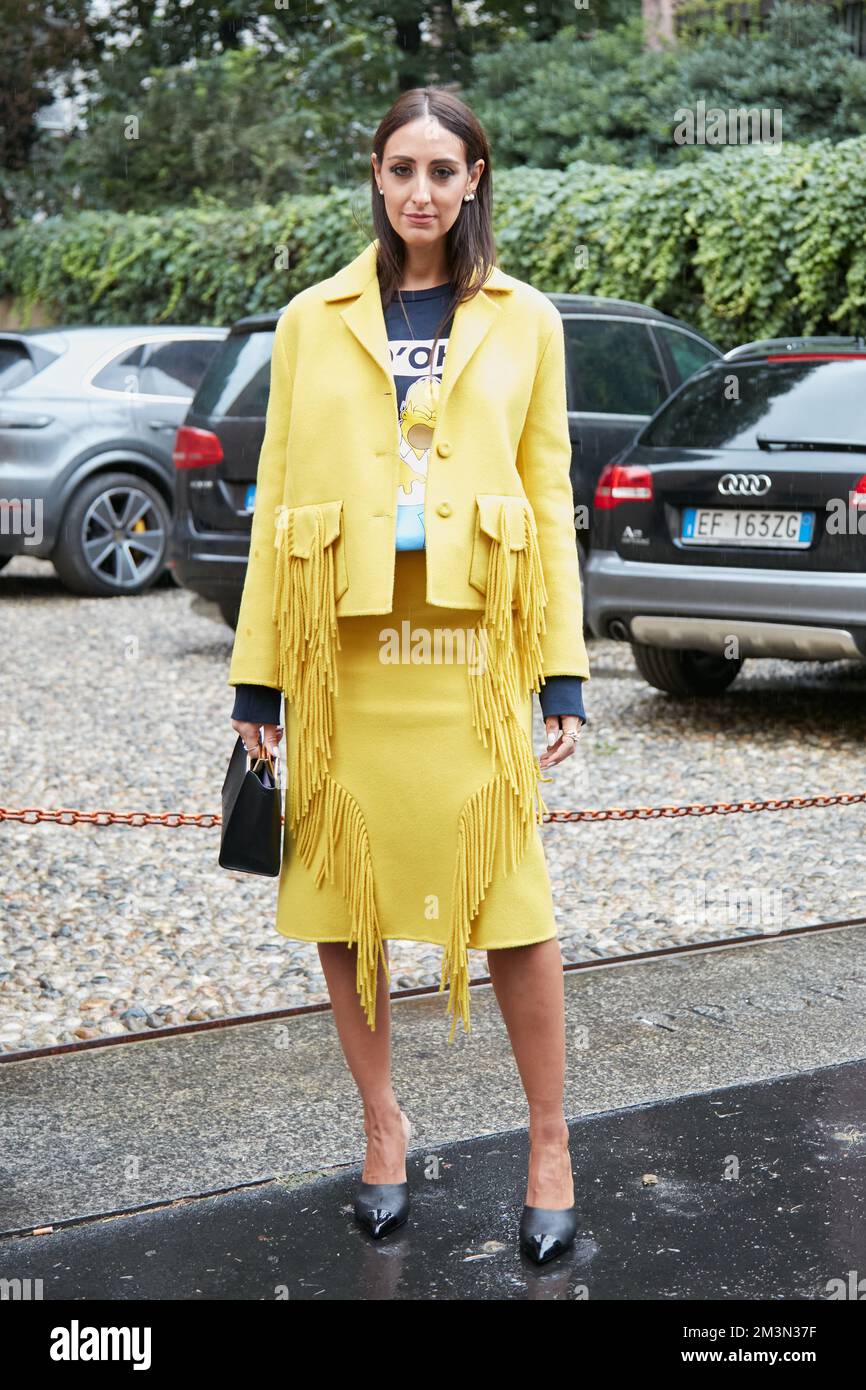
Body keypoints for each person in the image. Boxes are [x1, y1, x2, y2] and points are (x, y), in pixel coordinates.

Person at [228, 87, 591, 1266]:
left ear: (475, 175)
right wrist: (257, 685)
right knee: (348, 902)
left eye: (443, 169)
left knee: (512, 905)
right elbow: (276, 500)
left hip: (474, 648)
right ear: (376, 181)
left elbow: (547, 501)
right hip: (340, 653)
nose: (421, 190)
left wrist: (561, 673)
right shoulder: (309, 317)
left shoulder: (524, 318)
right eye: (401, 170)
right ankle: (381, 1125)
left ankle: (548, 1139)